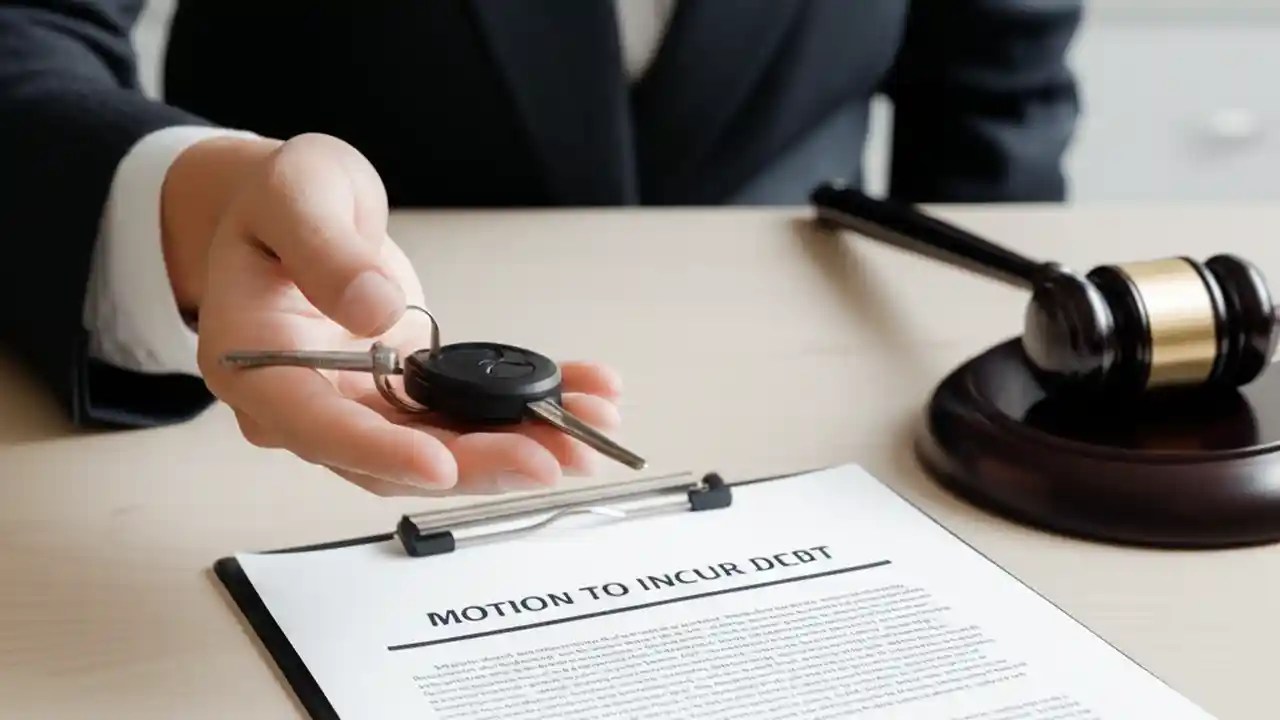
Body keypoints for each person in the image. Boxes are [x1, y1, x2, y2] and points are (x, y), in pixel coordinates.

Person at [0, 0, 1083, 496]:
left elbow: (995, 95)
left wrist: (1022, 417)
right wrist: (190, 204)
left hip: (837, 404)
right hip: (224, 448)